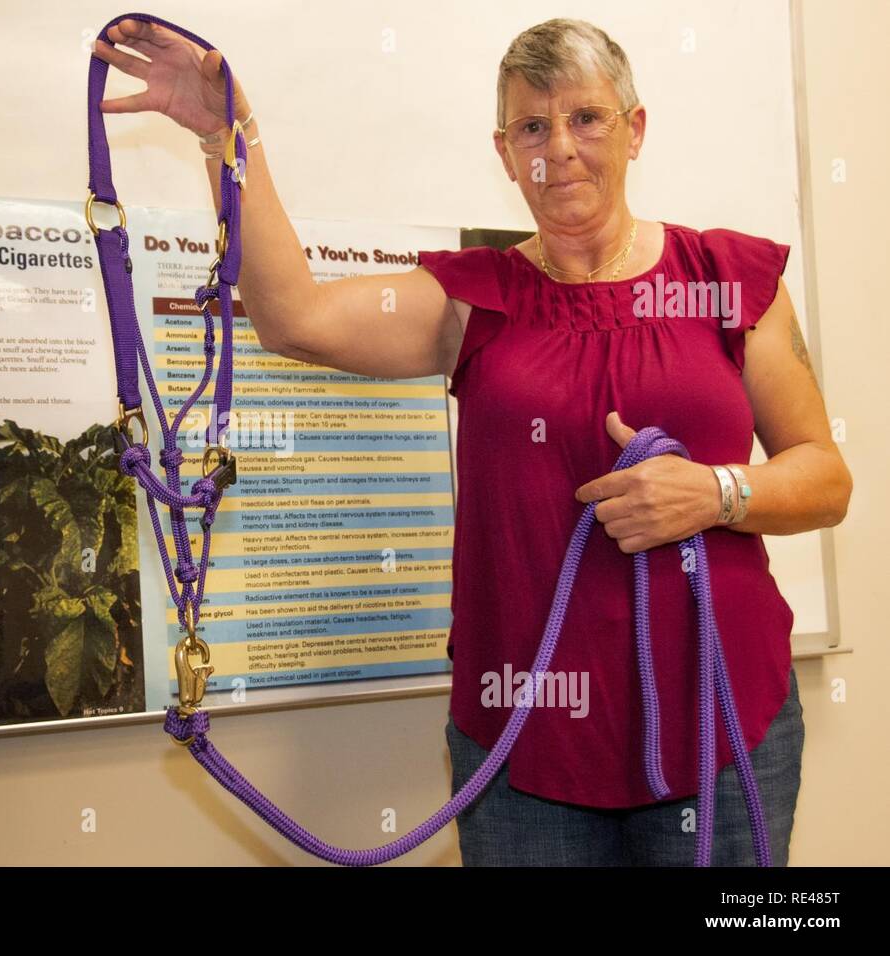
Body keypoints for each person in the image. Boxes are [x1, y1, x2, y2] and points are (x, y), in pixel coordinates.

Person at [92, 17, 852, 866]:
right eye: (533, 126)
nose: (558, 148)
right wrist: (232, 138)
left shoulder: (729, 281)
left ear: (635, 129)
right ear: (504, 150)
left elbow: (825, 479)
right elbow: (295, 320)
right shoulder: (474, 302)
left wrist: (716, 493)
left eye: (586, 118)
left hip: (723, 723)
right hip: (524, 752)